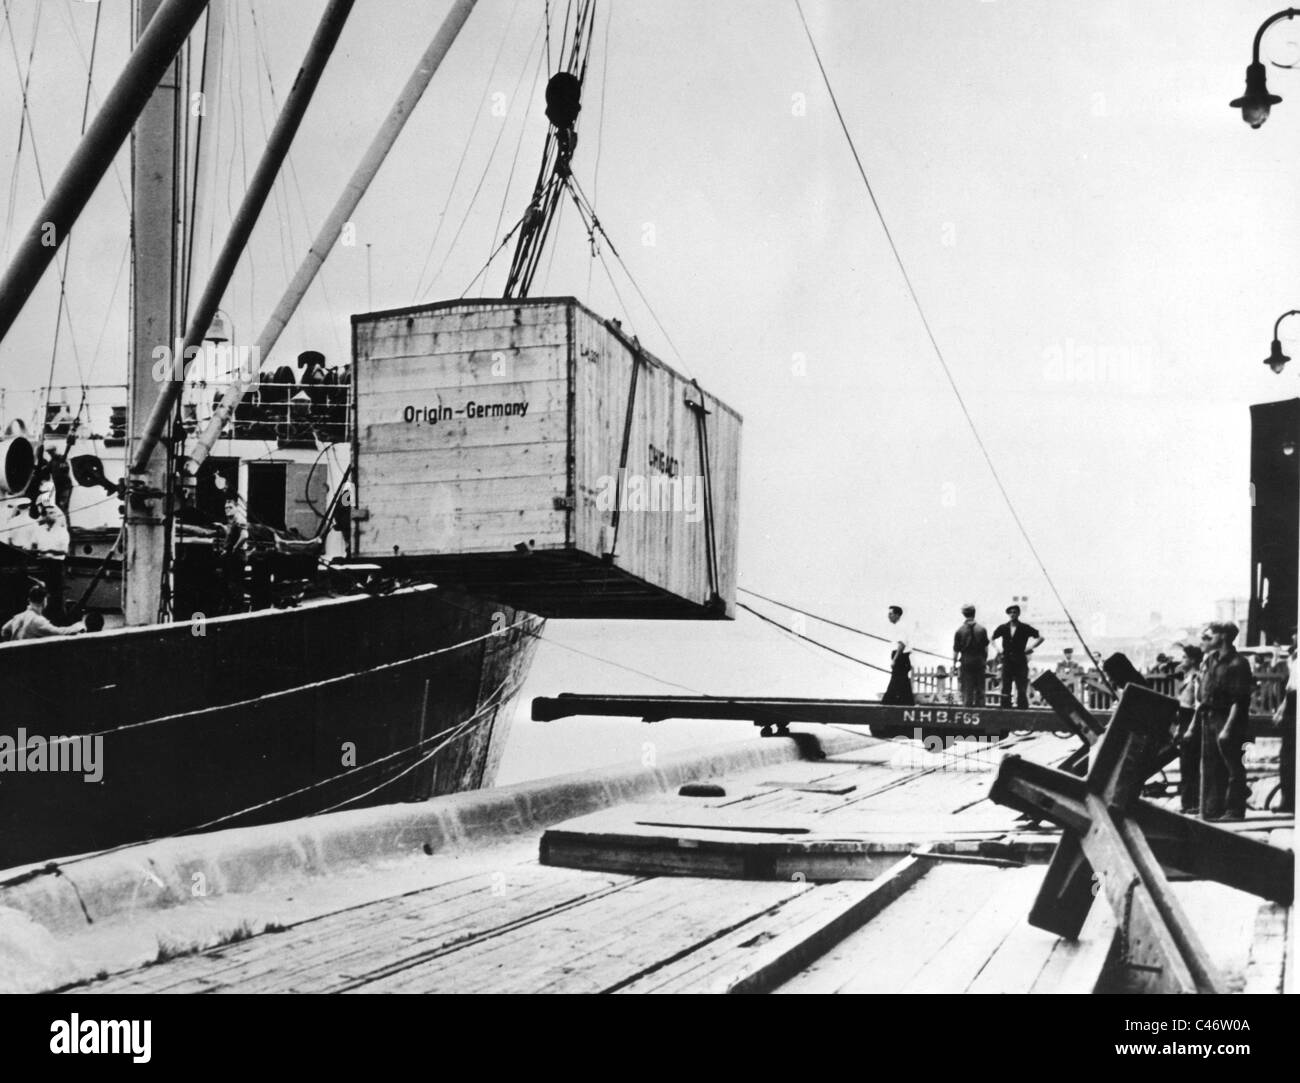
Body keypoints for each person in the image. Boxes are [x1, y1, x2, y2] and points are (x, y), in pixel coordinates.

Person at [1199, 621, 1254, 821]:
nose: (1205, 640)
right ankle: (1214, 809)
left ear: (1223, 636)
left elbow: (1239, 700)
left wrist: (1228, 729)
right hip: (1211, 716)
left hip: (1229, 718)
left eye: (1209, 636)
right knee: (1213, 765)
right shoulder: (1212, 660)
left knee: (1233, 766)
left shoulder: (1238, 663)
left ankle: (1234, 810)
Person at [991, 604, 1043, 709]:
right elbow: (992, 638)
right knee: (1006, 686)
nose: (1012, 614)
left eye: (1014, 612)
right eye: (1010, 612)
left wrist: (1031, 647)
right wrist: (997, 649)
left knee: (1021, 687)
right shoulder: (1003, 627)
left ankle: (1022, 708)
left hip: (1020, 661)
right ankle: (1005, 707)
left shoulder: (1024, 627)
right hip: (1007, 661)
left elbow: (1040, 638)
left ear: (1018, 613)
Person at [1175, 643, 1204, 814]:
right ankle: (1187, 803)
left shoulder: (1196, 678)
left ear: (1192, 660)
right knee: (1185, 765)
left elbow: (1199, 706)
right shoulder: (1187, 677)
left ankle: (1192, 803)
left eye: (1184, 657)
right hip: (1184, 721)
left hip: (1192, 722)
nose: (1181, 660)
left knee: (1191, 765)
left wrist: (1191, 729)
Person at [1, 583, 84, 641]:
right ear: (45, 600)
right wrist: (78, 627)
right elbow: (59, 633)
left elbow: (4, 630)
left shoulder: (18, 617)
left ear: (29, 600)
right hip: (27, 660)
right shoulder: (37, 621)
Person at [33, 501, 69, 621]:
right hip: (42, 564)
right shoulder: (40, 530)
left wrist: (49, 550)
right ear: (44, 515)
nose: (51, 515)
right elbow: (34, 545)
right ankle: (42, 616)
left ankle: (56, 618)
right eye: (48, 513)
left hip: (56, 565)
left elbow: (64, 551)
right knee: (42, 591)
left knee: (56, 593)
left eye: (53, 513)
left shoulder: (62, 531)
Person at [1273, 637, 1296, 814]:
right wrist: (1281, 709)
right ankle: (1288, 800)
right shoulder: (1294, 657)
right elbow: (1290, 688)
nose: (1295, 637)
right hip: (1293, 701)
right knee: (1288, 754)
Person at [952, 604, 990, 706]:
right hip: (979, 661)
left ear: (964, 614)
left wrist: (954, 665)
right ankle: (981, 713)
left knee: (967, 691)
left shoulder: (959, 631)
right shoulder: (982, 629)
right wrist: (984, 661)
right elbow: (986, 649)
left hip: (966, 661)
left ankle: (967, 712)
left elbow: (956, 651)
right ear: (974, 613)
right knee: (980, 690)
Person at [881, 604, 914, 705]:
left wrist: (895, 659)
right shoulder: (898, 627)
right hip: (901, 657)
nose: (889, 616)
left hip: (900, 657)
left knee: (896, 679)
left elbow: (902, 644)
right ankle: (908, 703)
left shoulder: (901, 626)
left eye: (891, 614)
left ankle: (886, 703)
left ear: (897, 615)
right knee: (902, 681)